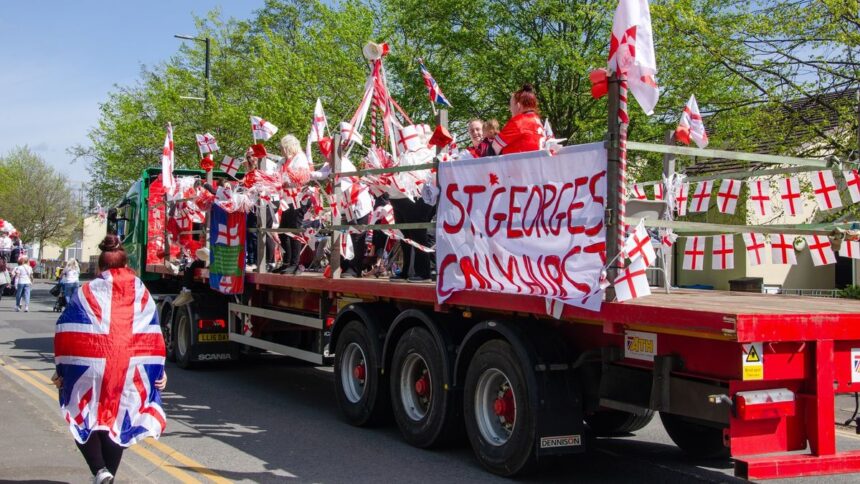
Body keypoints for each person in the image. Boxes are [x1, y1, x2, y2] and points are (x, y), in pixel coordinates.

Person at [51, 234, 167, 483]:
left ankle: (100, 471)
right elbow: (152, 333)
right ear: (126, 264)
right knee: (119, 416)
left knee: (82, 412)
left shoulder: (86, 291)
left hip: (91, 366)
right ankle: (107, 474)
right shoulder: (142, 291)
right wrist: (157, 372)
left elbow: (68, 330)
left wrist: (62, 370)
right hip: (131, 367)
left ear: (100, 266)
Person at [276, 134, 312, 274]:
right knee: (283, 230)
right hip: (287, 199)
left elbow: (300, 178)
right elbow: (276, 174)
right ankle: (287, 261)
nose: (281, 150)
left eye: (283, 148)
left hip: (298, 198)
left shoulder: (300, 158)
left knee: (294, 229)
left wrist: (285, 180)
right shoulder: (282, 161)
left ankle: (295, 263)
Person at [492, 83, 544, 155]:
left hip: (517, 165)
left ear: (518, 106)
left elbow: (495, 146)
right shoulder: (538, 121)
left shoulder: (519, 122)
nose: (510, 109)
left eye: (511, 105)